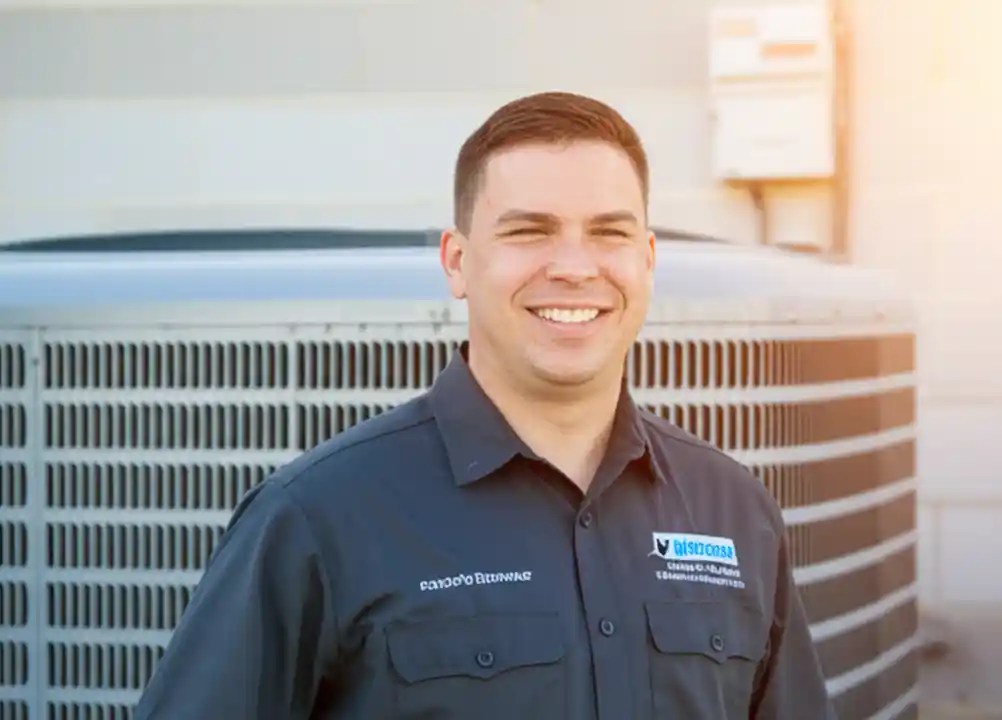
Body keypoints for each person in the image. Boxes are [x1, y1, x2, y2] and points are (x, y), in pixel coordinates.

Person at [134, 90, 836, 719]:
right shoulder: (319, 518)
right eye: (529, 231)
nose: (573, 265)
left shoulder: (734, 510)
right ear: (456, 262)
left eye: (609, 233)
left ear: (647, 259)